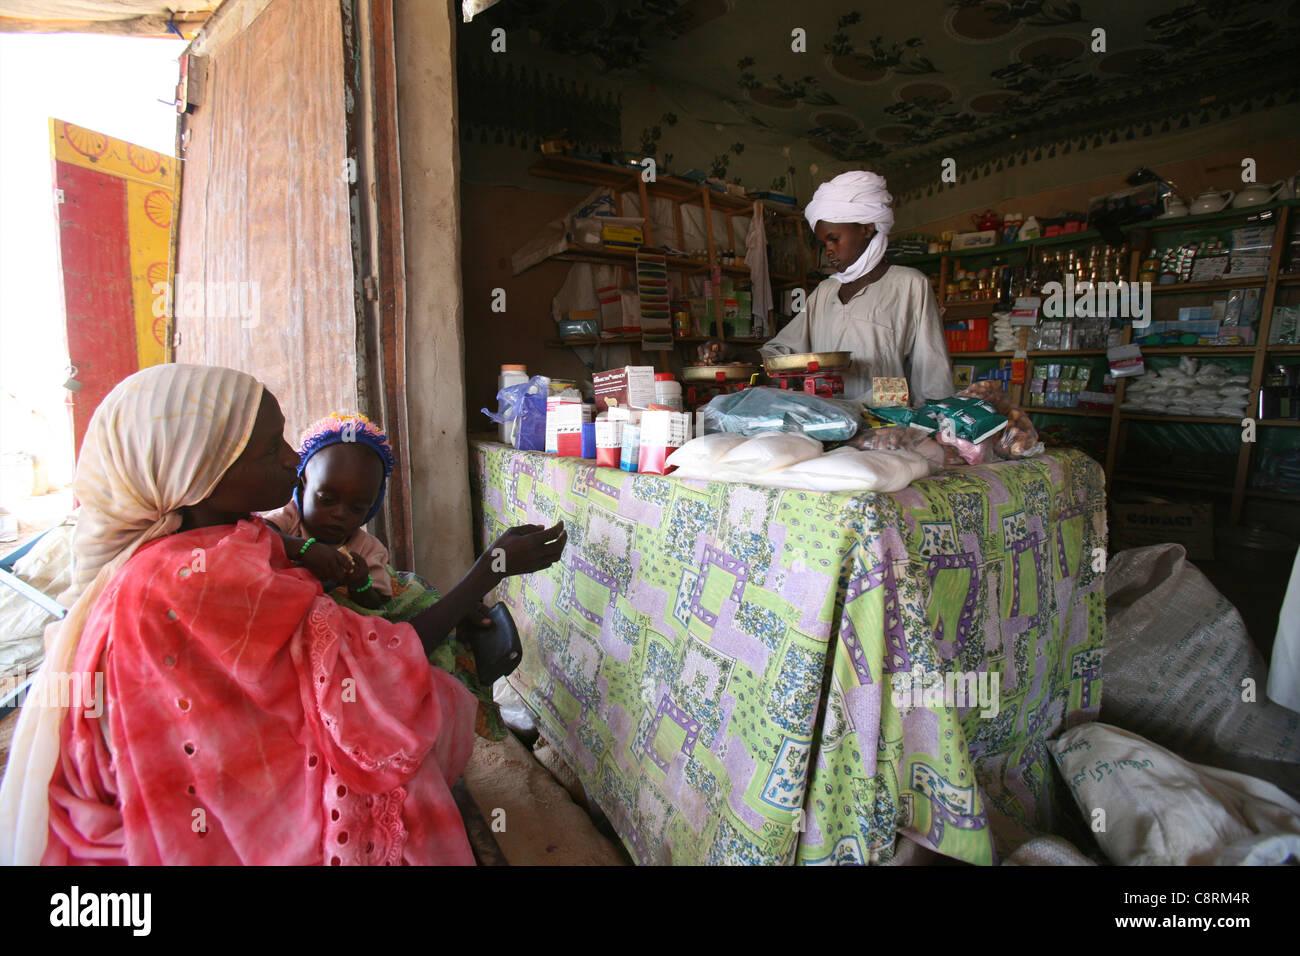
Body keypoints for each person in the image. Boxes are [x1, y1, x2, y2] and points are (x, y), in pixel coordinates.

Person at [0, 364, 566, 865]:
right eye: (272, 449)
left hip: (227, 761)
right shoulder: (195, 577)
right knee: (416, 721)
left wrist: (309, 558)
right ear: (201, 470)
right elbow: (378, 661)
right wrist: (487, 571)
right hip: (218, 793)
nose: (293, 460)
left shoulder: (224, 536)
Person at [700, 170, 954, 406]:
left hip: (886, 428)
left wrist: (935, 427)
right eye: (823, 243)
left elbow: (933, 375)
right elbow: (784, 354)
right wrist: (735, 352)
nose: (828, 251)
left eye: (834, 239)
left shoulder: (910, 285)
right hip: (827, 420)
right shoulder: (824, 292)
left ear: (867, 229)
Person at [262, 413, 399, 611]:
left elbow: (378, 607)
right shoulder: (290, 520)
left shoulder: (366, 549)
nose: (340, 514)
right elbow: (257, 533)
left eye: (357, 508)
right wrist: (304, 549)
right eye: (327, 500)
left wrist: (360, 584)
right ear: (302, 486)